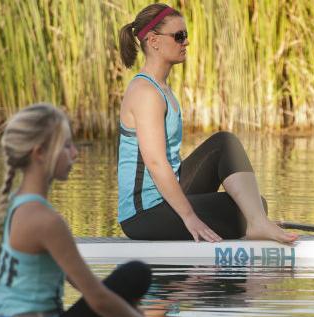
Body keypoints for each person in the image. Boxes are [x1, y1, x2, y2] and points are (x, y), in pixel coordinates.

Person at [0, 103, 155, 317]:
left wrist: (126, 313)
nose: (75, 154)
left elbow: (84, 285)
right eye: (67, 146)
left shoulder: (12, 209)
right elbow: (97, 298)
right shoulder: (45, 220)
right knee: (136, 281)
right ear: (40, 153)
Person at [116, 3, 296, 244]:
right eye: (179, 36)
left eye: (186, 36)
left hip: (166, 198)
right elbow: (157, 164)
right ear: (153, 40)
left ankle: (257, 222)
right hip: (144, 214)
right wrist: (190, 217)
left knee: (225, 145)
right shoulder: (145, 93)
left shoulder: (161, 88)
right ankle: (256, 222)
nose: (186, 42)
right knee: (248, 208)